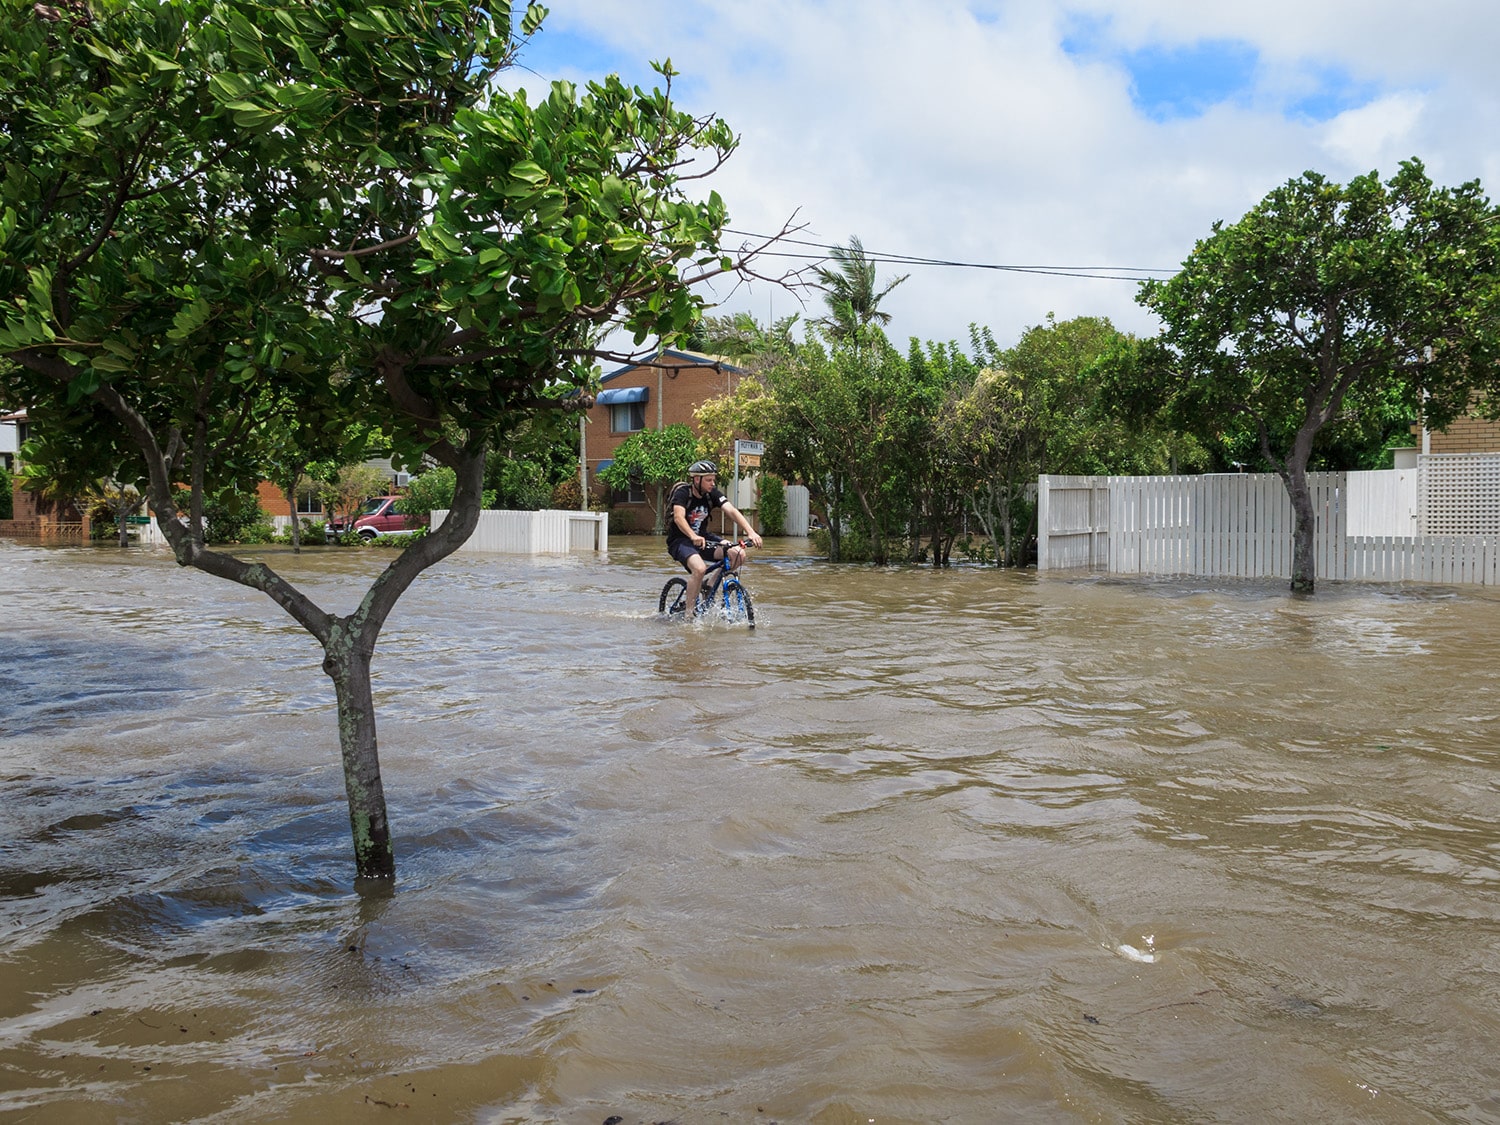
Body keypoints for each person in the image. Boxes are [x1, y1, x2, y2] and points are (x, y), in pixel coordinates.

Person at [667, 459, 763, 617]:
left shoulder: (712, 494)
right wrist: (692, 536)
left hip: (704, 539)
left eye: (713, 479)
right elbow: (678, 518)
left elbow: (731, 511)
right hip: (681, 541)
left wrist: (750, 532)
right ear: (696, 479)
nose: (713, 483)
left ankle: (709, 586)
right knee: (699, 569)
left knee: (737, 554)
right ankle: (689, 616)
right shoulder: (683, 493)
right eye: (708, 480)